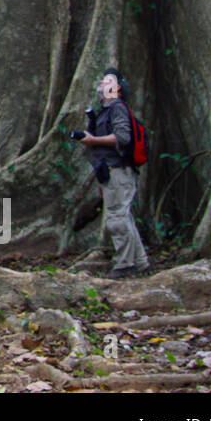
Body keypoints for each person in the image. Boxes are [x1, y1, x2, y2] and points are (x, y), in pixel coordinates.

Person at [79, 68, 150, 279]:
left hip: (119, 171)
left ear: (117, 87)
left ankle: (125, 264)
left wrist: (93, 140)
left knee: (116, 218)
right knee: (122, 215)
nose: (101, 82)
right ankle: (140, 262)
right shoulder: (106, 110)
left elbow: (123, 137)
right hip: (111, 172)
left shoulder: (117, 108)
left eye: (107, 80)